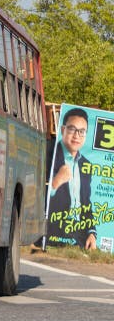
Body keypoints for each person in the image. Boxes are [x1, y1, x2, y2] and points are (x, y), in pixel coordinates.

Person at [49, 107, 97, 250]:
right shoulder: (49, 154)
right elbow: (33, 195)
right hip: (54, 231)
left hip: (79, 235)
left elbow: (86, 203)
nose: (77, 135)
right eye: (72, 129)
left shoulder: (86, 165)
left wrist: (91, 232)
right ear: (63, 129)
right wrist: (55, 182)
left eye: (81, 131)